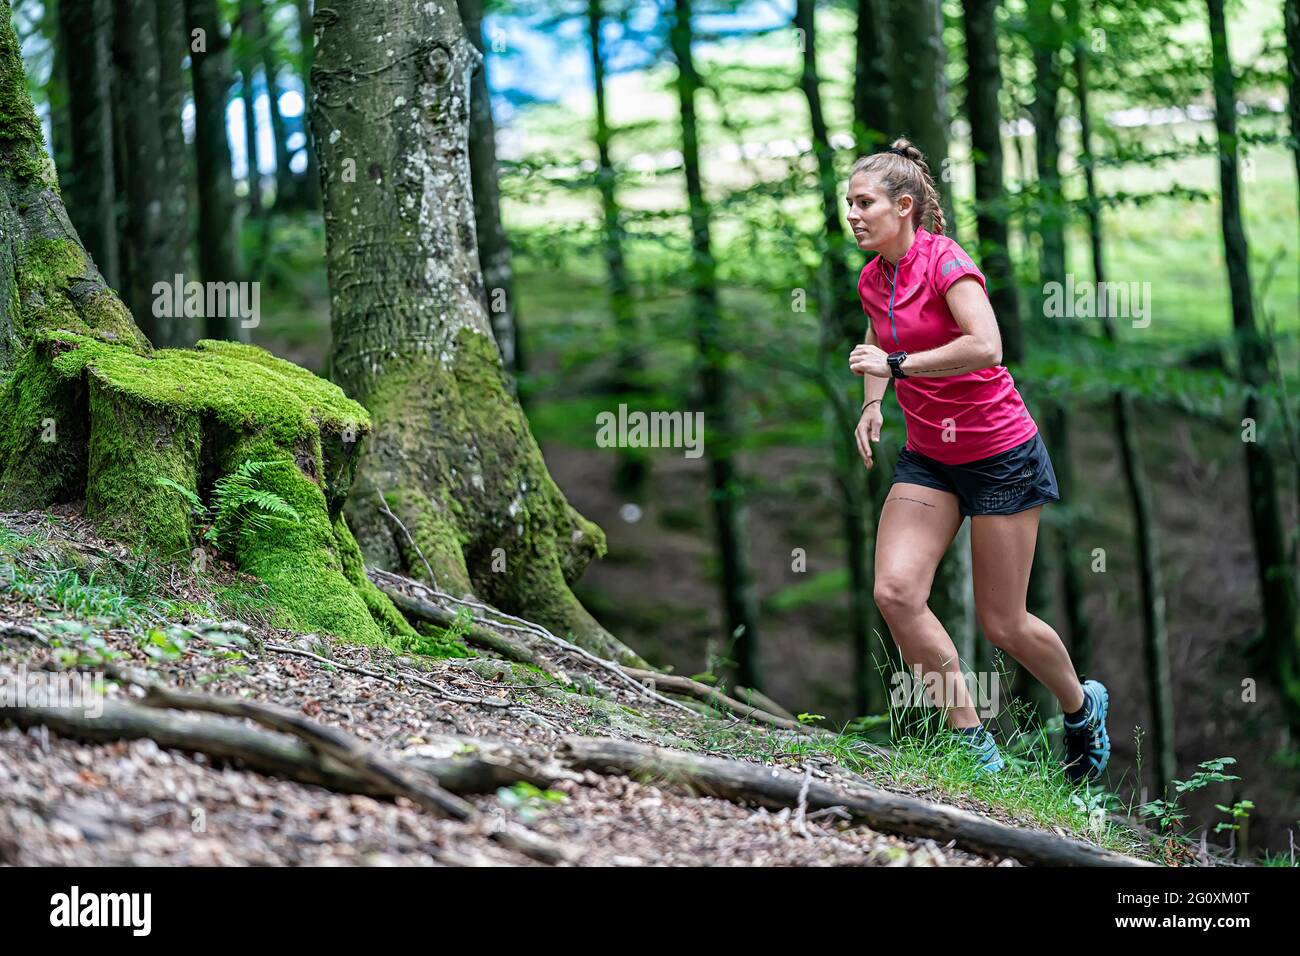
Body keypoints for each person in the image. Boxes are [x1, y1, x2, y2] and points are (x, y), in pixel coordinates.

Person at [846, 136, 1109, 782]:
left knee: (1003, 623)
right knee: (896, 592)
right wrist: (873, 400)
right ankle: (973, 746)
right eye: (847, 204)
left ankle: (1081, 709)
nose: (852, 215)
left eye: (864, 203)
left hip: (1000, 454)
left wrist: (897, 367)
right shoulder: (873, 277)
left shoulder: (946, 263)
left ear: (903, 206)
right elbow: (878, 338)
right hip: (931, 458)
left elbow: (986, 345)